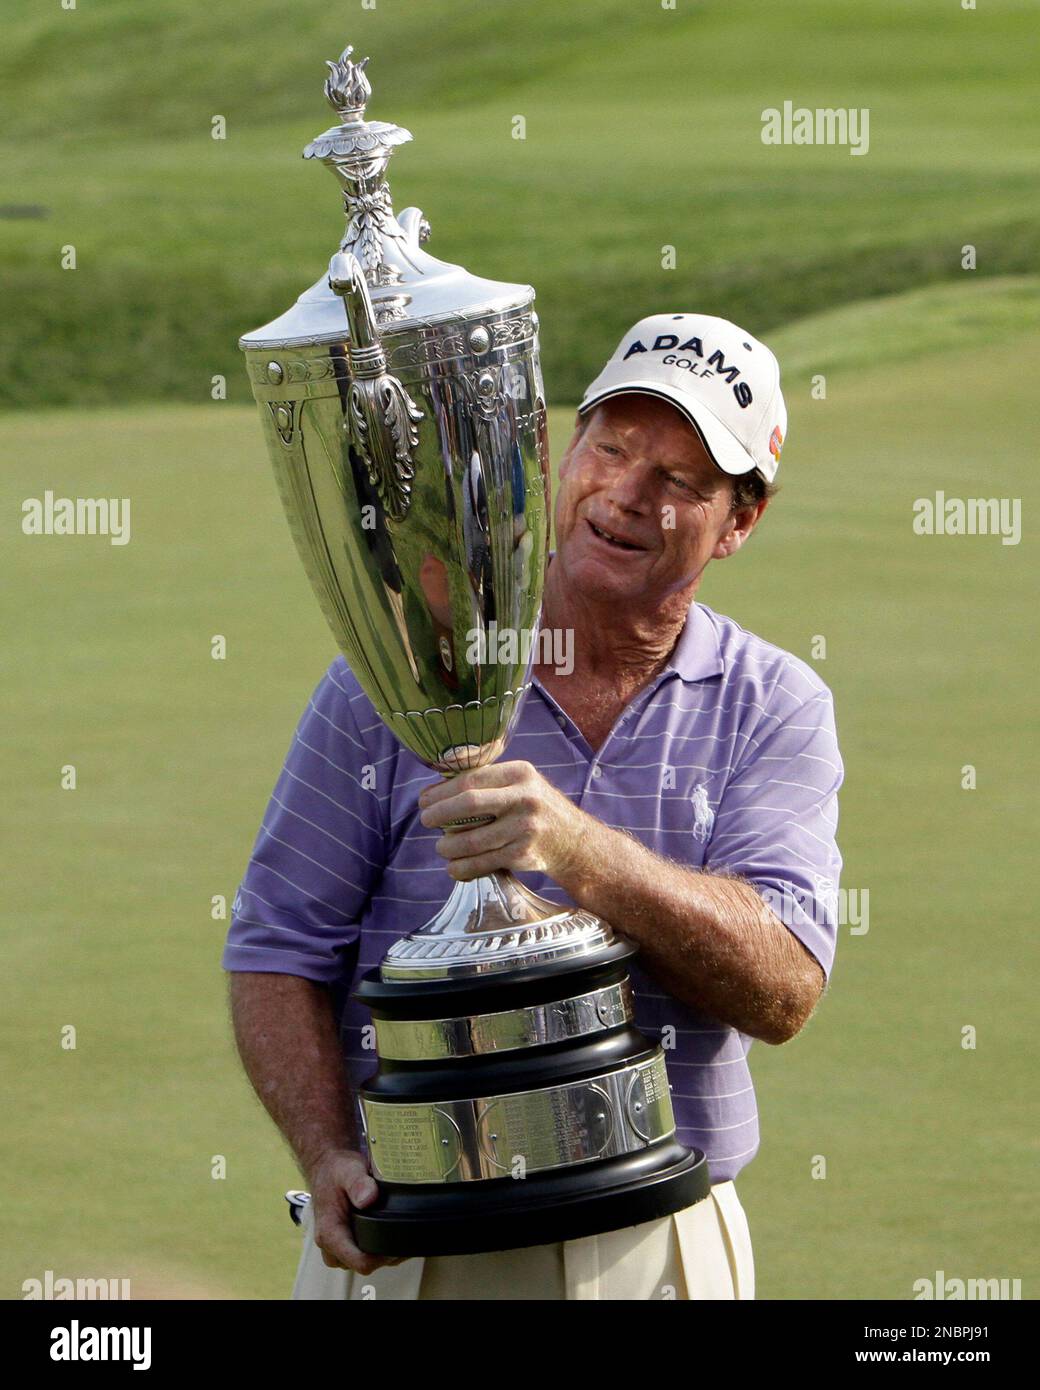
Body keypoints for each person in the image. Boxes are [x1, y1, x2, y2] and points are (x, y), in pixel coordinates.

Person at [223, 312, 844, 1300]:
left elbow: (782, 989)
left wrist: (577, 849)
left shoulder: (773, 707)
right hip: (419, 1242)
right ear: (564, 451)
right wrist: (325, 1151)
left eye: (678, 480)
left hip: (664, 1247)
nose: (625, 495)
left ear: (738, 522)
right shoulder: (394, 675)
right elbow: (274, 948)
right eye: (613, 448)